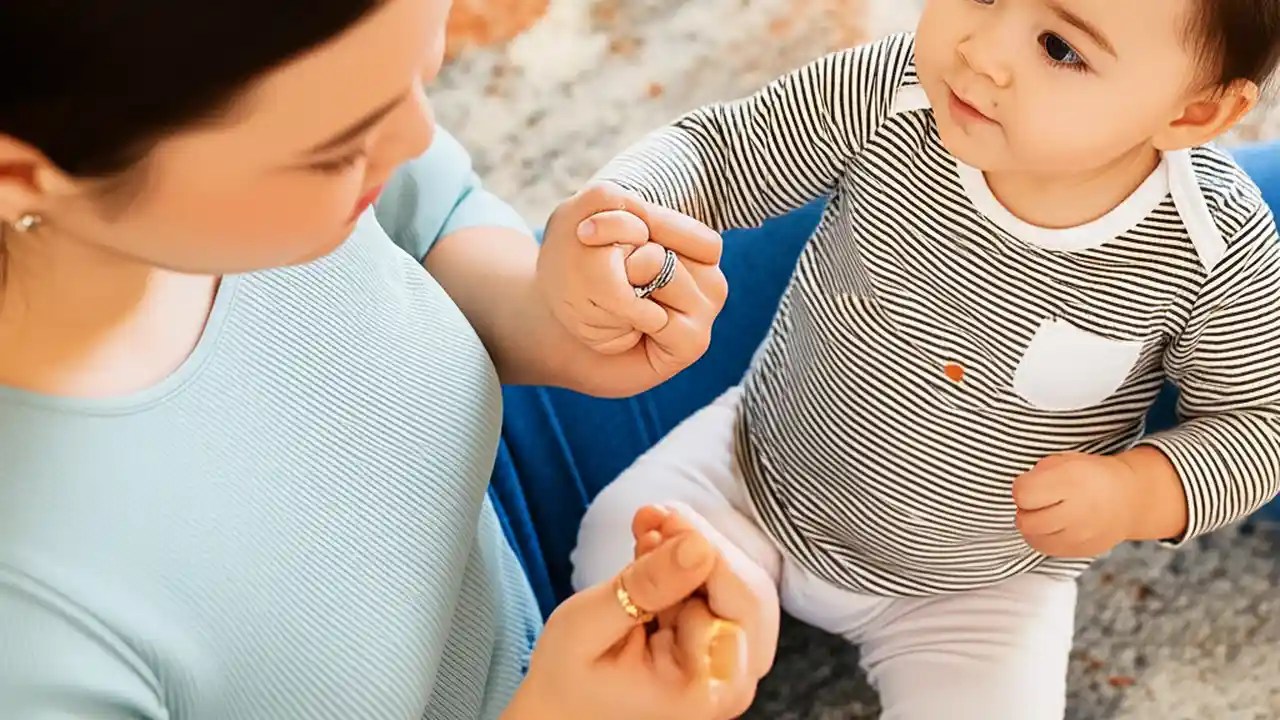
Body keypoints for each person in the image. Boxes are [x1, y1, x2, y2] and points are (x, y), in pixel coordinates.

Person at [0, 1, 777, 718]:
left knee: (889, 187)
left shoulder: (250, 92)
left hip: (491, 504)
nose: (415, 134)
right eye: (338, 149)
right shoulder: (34, 633)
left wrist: (549, 310)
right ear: (23, 175)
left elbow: (425, 209)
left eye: (420, 68)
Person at [571, 0, 1280, 718]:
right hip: (751, 475)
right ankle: (732, 605)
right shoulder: (892, 94)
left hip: (981, 585)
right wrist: (623, 211)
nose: (982, 51)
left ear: (1191, 114)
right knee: (614, 545)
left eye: (1059, 48)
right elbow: (719, 152)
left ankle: (729, 626)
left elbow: (1260, 423)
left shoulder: (1210, 252)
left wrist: (1136, 492)